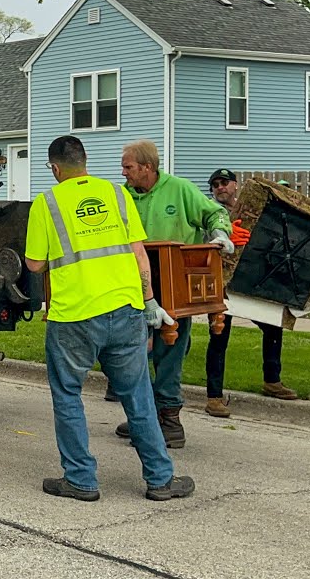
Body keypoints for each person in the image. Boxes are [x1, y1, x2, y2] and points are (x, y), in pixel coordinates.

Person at [25, 135, 195, 502]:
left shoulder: (46, 203)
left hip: (74, 317)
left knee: (68, 395)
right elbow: (139, 253)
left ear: (55, 168)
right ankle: (161, 479)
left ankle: (81, 480)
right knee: (139, 395)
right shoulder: (118, 195)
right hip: (125, 310)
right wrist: (149, 300)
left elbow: (35, 264)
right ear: (85, 161)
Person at [114, 140, 233, 449]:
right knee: (133, 353)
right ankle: (145, 414)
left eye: (128, 166)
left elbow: (214, 213)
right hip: (133, 284)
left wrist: (221, 233)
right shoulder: (122, 196)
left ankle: (170, 419)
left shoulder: (179, 190)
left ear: (147, 168)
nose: (123, 172)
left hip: (172, 283)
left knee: (169, 352)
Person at [203, 169, 298, 417]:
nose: (219, 187)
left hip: (251, 281)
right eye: (215, 185)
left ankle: (272, 380)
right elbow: (204, 240)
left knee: (272, 327)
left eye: (224, 183)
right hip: (223, 285)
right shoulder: (211, 212)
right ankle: (214, 396)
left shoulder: (255, 210)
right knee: (219, 335)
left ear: (236, 185)